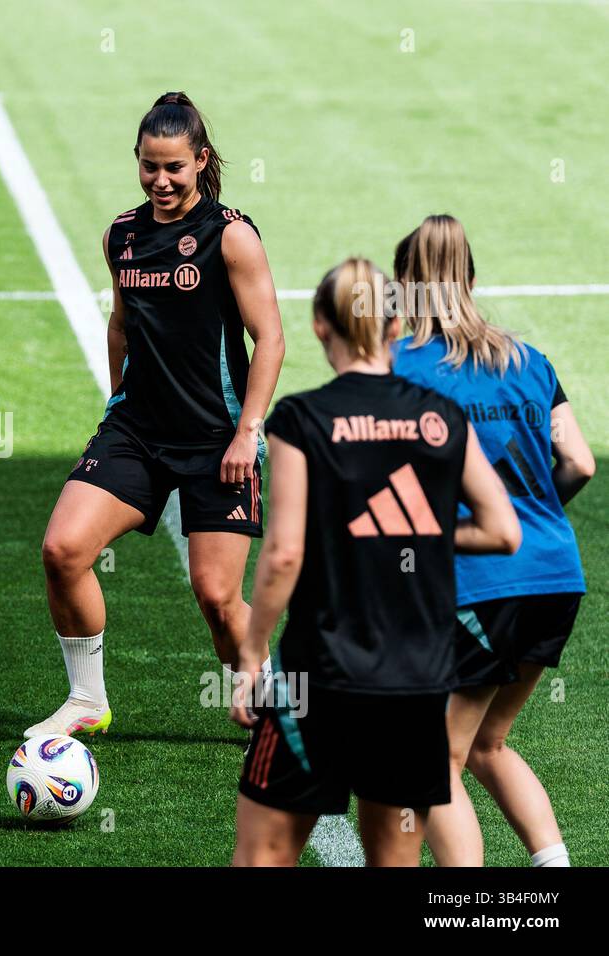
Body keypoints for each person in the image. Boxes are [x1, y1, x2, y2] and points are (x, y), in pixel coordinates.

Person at [231, 257, 520, 866]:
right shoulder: (440, 418)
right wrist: (420, 536)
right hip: (416, 683)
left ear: (318, 326)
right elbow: (502, 531)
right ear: (395, 329)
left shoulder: (302, 419)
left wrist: (252, 656)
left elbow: (284, 553)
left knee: (266, 855)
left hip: (318, 680)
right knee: (393, 860)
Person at [28, 92, 286, 739]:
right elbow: (120, 322)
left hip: (217, 440)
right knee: (63, 549)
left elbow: (271, 338)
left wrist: (248, 431)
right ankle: (87, 699)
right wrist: (116, 400)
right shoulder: (123, 235)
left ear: (200, 160)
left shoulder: (232, 236)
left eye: (174, 167)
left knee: (218, 599)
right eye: (149, 167)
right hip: (138, 430)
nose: (161, 181)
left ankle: (269, 692)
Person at [392, 215, 594, 866]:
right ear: (471, 279)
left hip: (481, 584)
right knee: (487, 745)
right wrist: (532, 518)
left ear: (403, 288)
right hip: (556, 576)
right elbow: (581, 462)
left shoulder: (403, 368)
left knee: (434, 762)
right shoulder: (531, 360)